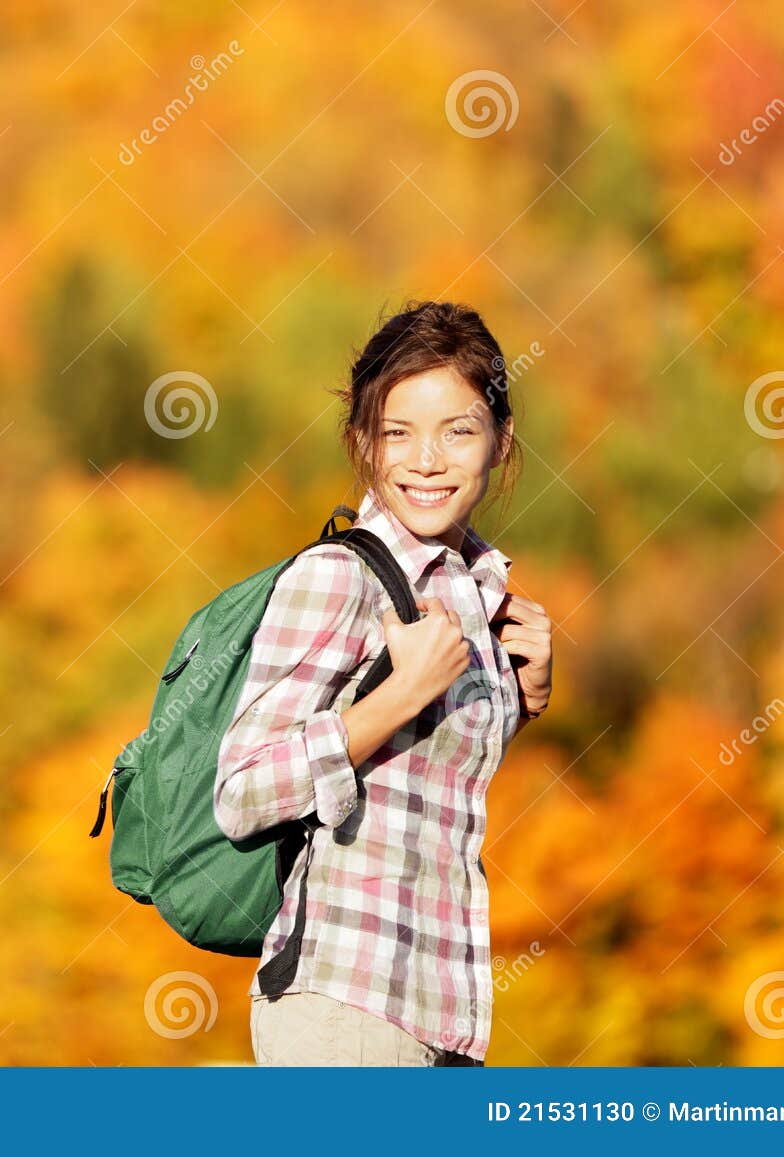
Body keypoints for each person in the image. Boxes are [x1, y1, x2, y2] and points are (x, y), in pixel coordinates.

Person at [214, 300, 554, 1066]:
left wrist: (525, 702)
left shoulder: (476, 586)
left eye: (457, 430)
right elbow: (240, 793)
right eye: (398, 432)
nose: (425, 460)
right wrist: (397, 696)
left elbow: (426, 785)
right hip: (344, 1012)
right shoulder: (338, 576)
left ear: (499, 440)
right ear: (364, 444)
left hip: (444, 1018)